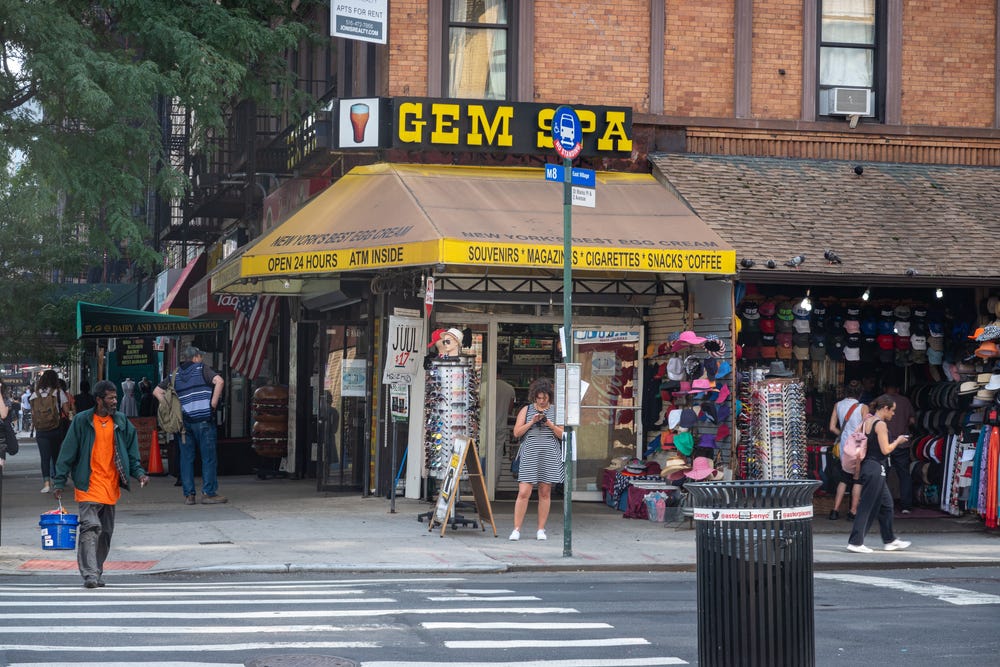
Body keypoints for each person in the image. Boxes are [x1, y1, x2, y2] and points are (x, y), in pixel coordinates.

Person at [53, 380, 149, 588]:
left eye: (116, 397)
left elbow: (132, 455)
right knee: (90, 527)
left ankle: (96, 569)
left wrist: (140, 473)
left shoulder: (122, 423)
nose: (115, 401)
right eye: (111, 398)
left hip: (110, 487)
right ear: (98, 400)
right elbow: (67, 453)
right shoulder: (81, 421)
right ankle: (90, 575)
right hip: (88, 484)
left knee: (105, 533)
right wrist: (59, 481)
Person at [153, 345, 226, 505]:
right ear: (195, 358)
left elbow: (157, 391)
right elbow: (219, 381)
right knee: (208, 458)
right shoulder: (202, 369)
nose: (201, 358)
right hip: (203, 421)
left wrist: (170, 406)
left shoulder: (175, 374)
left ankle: (189, 495)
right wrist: (212, 405)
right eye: (200, 356)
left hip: (183, 424)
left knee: (186, 459)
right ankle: (208, 493)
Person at [846, 394, 912, 554]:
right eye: (892, 411)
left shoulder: (867, 420)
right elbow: (886, 449)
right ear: (885, 408)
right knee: (867, 507)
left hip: (869, 466)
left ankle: (889, 540)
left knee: (887, 505)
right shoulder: (880, 424)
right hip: (875, 467)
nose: (893, 414)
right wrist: (898, 441)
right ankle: (855, 542)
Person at [509, 377, 564, 541]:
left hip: (549, 452)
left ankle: (541, 529)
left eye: (544, 398)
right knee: (524, 492)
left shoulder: (556, 410)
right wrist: (531, 422)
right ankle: (516, 529)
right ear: (534, 396)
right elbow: (516, 433)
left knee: (545, 492)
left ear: (549, 397)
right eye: (538, 398)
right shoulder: (526, 410)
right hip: (530, 453)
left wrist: (549, 424)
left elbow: (562, 434)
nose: (541, 401)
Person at [828, 379, 867, 520]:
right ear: (860, 393)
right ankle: (853, 512)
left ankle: (834, 511)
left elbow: (832, 427)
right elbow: (866, 428)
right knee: (857, 480)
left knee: (844, 479)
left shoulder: (838, 405)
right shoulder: (863, 407)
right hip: (857, 448)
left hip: (844, 447)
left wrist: (844, 435)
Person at [31, 370, 71, 493]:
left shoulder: (35, 394)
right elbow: (66, 410)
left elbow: (33, 413)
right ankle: (58, 482)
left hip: (41, 431)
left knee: (44, 458)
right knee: (56, 456)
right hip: (55, 429)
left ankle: (46, 484)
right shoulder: (58, 393)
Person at [882, 377, 915, 513]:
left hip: (885, 443)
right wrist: (904, 425)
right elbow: (912, 420)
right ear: (898, 389)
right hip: (902, 444)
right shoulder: (905, 401)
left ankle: (882, 505)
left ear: (884, 388)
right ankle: (906, 505)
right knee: (904, 475)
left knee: (882, 475)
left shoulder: (881, 401)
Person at [495, 377, 516, 454]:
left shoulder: (485, 385)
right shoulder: (510, 388)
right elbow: (510, 409)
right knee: (498, 452)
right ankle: (495, 466)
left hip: (487, 426)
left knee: (485, 451)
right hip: (502, 424)